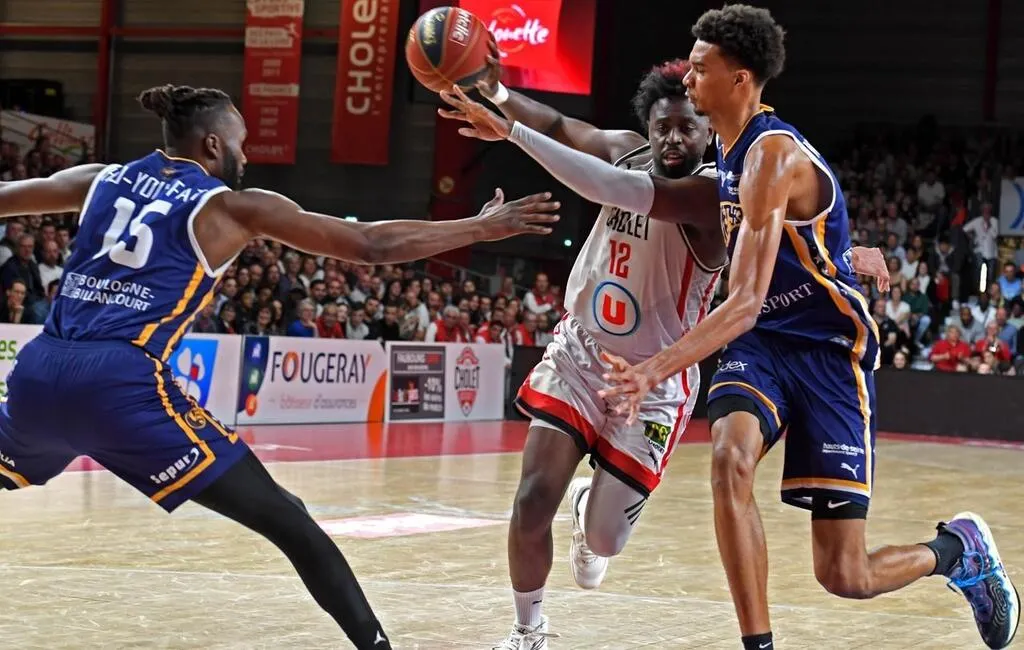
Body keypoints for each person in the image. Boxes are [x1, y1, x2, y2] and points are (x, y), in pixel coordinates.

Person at [441, 7, 1018, 650]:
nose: (686, 76)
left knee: (843, 574)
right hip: (754, 343)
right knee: (727, 458)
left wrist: (655, 369)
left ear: (739, 80)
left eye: (699, 67)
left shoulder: (767, 157)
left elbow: (743, 292)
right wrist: (497, 97)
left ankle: (956, 550)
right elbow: (635, 187)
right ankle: (755, 644)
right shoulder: (714, 155)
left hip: (824, 351)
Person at [0, 84, 560, 650]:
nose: (248, 155)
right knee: (290, 521)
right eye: (242, 142)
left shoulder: (98, 177)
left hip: (38, 373)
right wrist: (479, 228)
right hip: (119, 384)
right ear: (214, 143)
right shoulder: (229, 206)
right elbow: (368, 245)